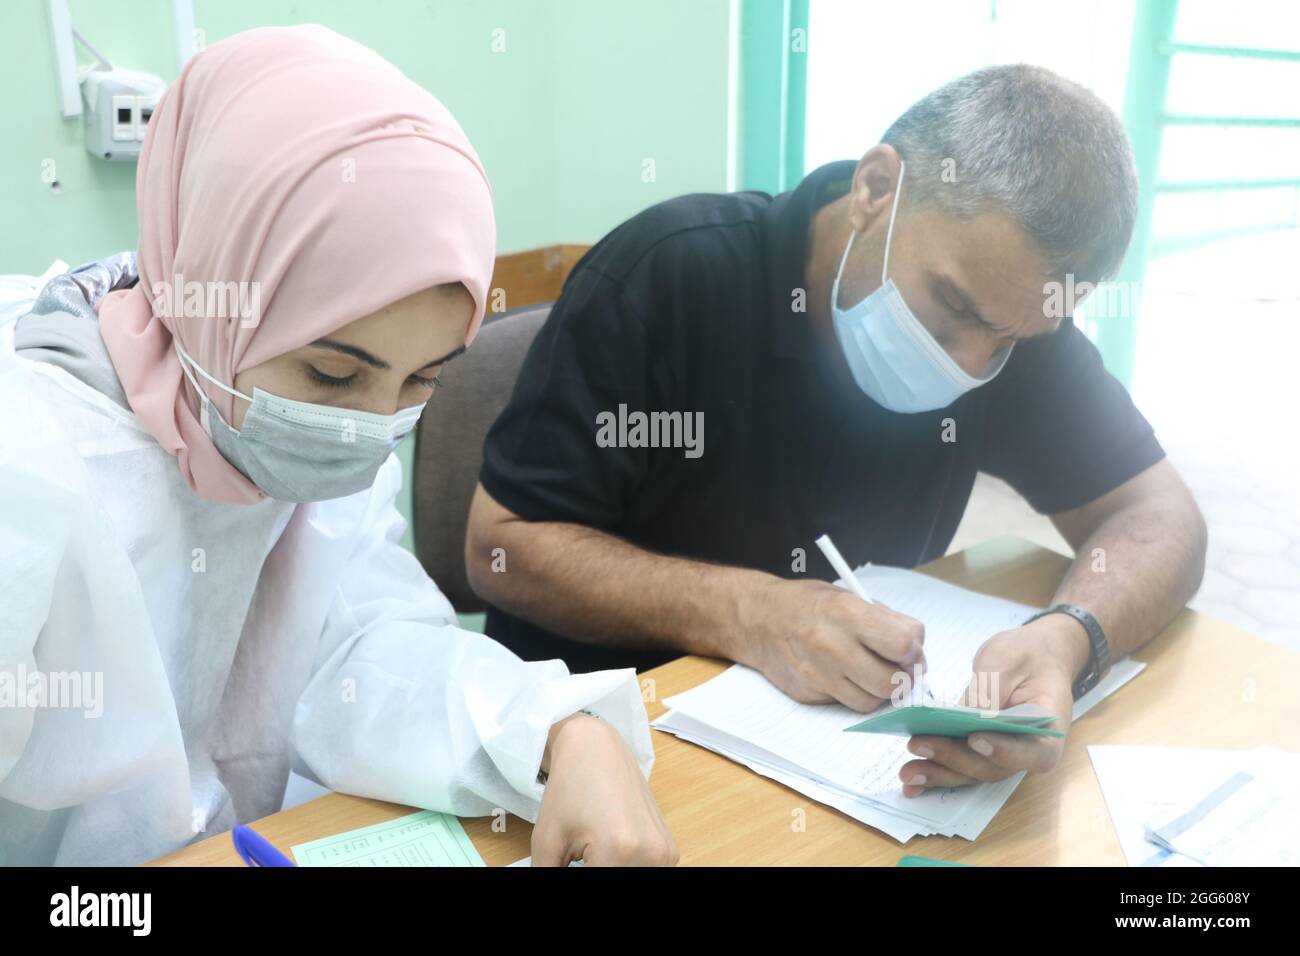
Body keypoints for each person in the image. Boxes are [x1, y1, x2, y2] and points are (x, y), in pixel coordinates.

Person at [0, 25, 675, 867]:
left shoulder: (262, 406)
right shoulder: (31, 458)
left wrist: (559, 734)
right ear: (207, 290)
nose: (369, 429)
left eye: (422, 381)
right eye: (330, 374)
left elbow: (361, 643)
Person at [465, 65, 1207, 798]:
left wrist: (1070, 637)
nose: (970, 365)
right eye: (950, 305)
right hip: (586, 752)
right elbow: (499, 545)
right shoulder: (669, 276)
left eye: (1009, 340)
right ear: (876, 190)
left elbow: (1161, 518)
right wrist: (747, 613)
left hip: (838, 775)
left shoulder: (1011, 317)